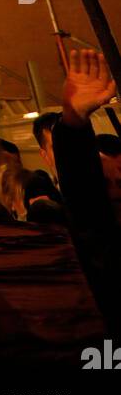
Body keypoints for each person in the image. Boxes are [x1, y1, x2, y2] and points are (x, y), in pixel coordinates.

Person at [51, 49, 121, 330]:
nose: (117, 191)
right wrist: (74, 121)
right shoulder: (96, 243)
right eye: (107, 183)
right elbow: (83, 193)